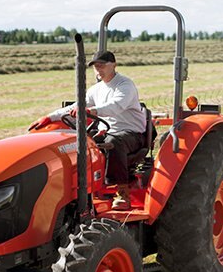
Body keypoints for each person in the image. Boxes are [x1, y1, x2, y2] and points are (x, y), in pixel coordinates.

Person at [32, 49, 147, 210]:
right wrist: (50, 117)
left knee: (113, 142)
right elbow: (77, 106)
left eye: (102, 65)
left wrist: (91, 111)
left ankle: (122, 192)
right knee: (79, 143)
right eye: (95, 66)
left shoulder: (125, 85)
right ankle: (80, 189)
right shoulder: (96, 89)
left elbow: (115, 106)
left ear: (113, 65)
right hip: (105, 131)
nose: (98, 69)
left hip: (130, 132)